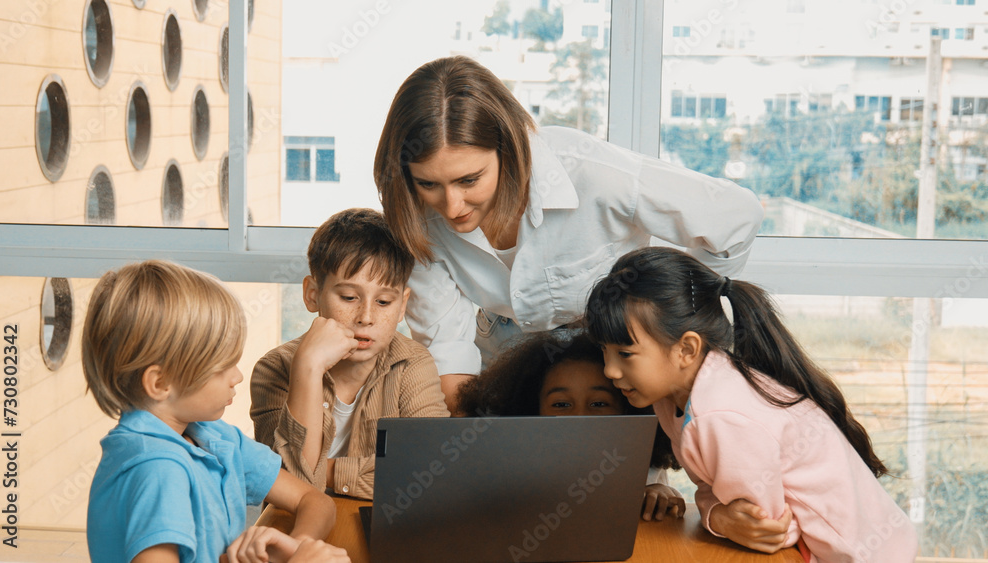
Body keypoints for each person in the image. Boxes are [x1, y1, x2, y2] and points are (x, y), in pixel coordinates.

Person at [373, 55, 764, 414]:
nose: (452, 206)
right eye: (428, 184)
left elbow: (737, 217)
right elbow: (448, 351)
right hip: (508, 373)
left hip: (615, 375)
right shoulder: (416, 217)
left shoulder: (595, 175)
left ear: (509, 149)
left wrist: (671, 318)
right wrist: (470, 446)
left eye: (469, 179)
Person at [583, 246, 919, 562]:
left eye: (625, 354)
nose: (610, 371)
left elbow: (766, 530)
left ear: (686, 349)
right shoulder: (679, 396)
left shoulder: (721, 414)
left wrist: (717, 516)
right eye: (605, 351)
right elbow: (721, 499)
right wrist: (718, 514)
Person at [82, 260, 348, 563]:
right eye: (222, 367)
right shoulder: (156, 471)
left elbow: (314, 500)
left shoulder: (211, 436)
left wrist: (297, 544)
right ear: (160, 383)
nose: (236, 376)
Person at [250, 208, 449, 501]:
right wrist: (308, 367)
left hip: (385, 525)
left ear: (402, 305)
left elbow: (434, 474)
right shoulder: (275, 368)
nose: (366, 317)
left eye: (383, 301)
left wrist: (325, 471)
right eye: (349, 297)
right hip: (298, 529)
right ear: (312, 294)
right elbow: (291, 487)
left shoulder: (412, 364)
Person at [456, 329, 686, 522]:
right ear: (532, 411)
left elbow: (656, 506)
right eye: (561, 404)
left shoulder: (643, 467)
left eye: (598, 403)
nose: (580, 416)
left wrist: (657, 493)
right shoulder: (511, 475)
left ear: (627, 409)